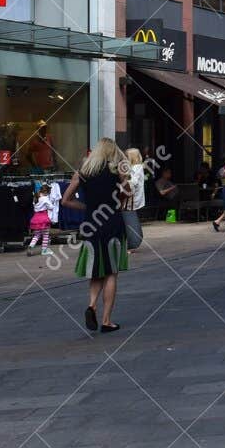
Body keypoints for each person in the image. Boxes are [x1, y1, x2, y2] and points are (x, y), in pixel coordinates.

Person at [61, 138, 131, 333]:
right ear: (112, 152)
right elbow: (128, 192)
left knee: (97, 269)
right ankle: (107, 321)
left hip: (91, 224)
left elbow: (65, 201)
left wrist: (87, 208)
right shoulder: (117, 171)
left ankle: (92, 305)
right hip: (112, 223)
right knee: (111, 272)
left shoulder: (82, 173)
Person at [27, 182, 53, 255]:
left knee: (37, 234)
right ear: (46, 192)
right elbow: (51, 207)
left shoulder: (36, 198)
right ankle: (44, 250)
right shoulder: (45, 198)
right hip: (43, 217)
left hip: (36, 217)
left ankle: (31, 245)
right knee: (46, 234)